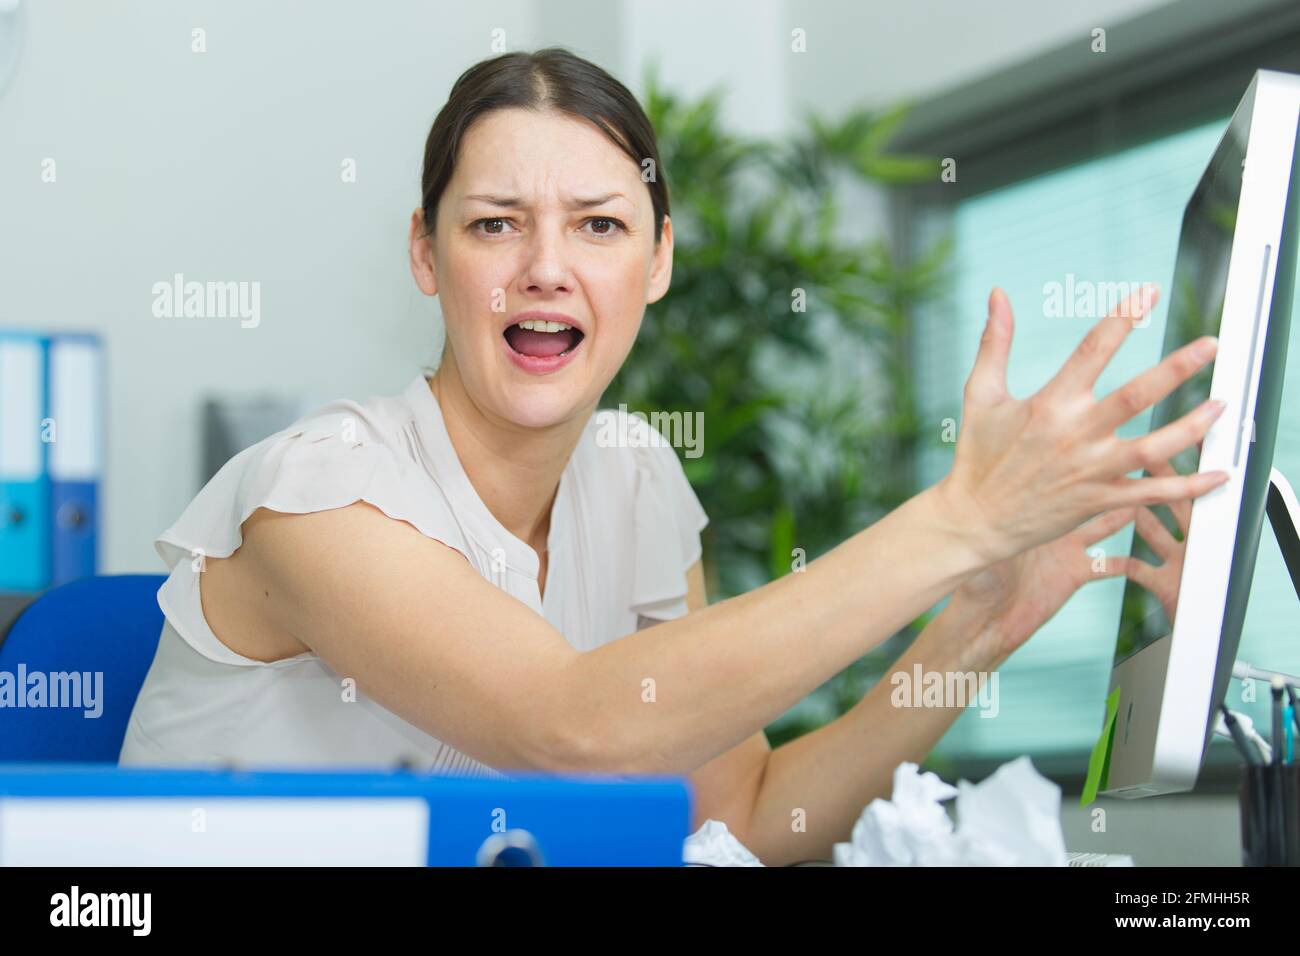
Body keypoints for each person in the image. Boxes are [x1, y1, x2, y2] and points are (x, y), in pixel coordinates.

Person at [119, 47, 1227, 865]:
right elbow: (576, 722)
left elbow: (744, 816)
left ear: (657, 260)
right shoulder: (315, 491)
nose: (546, 266)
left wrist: (982, 614)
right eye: (494, 222)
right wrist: (956, 521)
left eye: (599, 225)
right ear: (426, 252)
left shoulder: (637, 477)